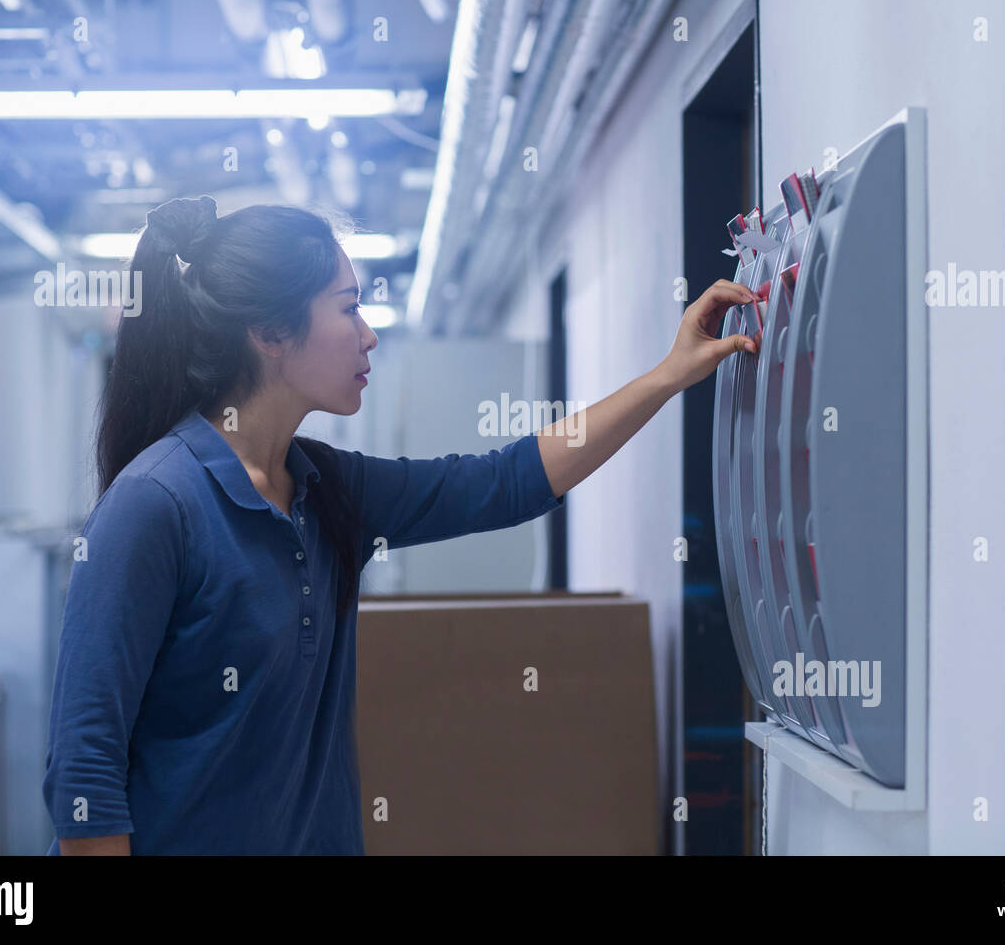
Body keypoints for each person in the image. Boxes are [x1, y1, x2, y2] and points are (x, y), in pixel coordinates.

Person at [41, 195, 761, 855]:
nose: (369, 335)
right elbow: (83, 767)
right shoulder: (156, 504)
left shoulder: (325, 489)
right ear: (269, 331)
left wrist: (669, 375)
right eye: (348, 308)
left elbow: (504, 483)